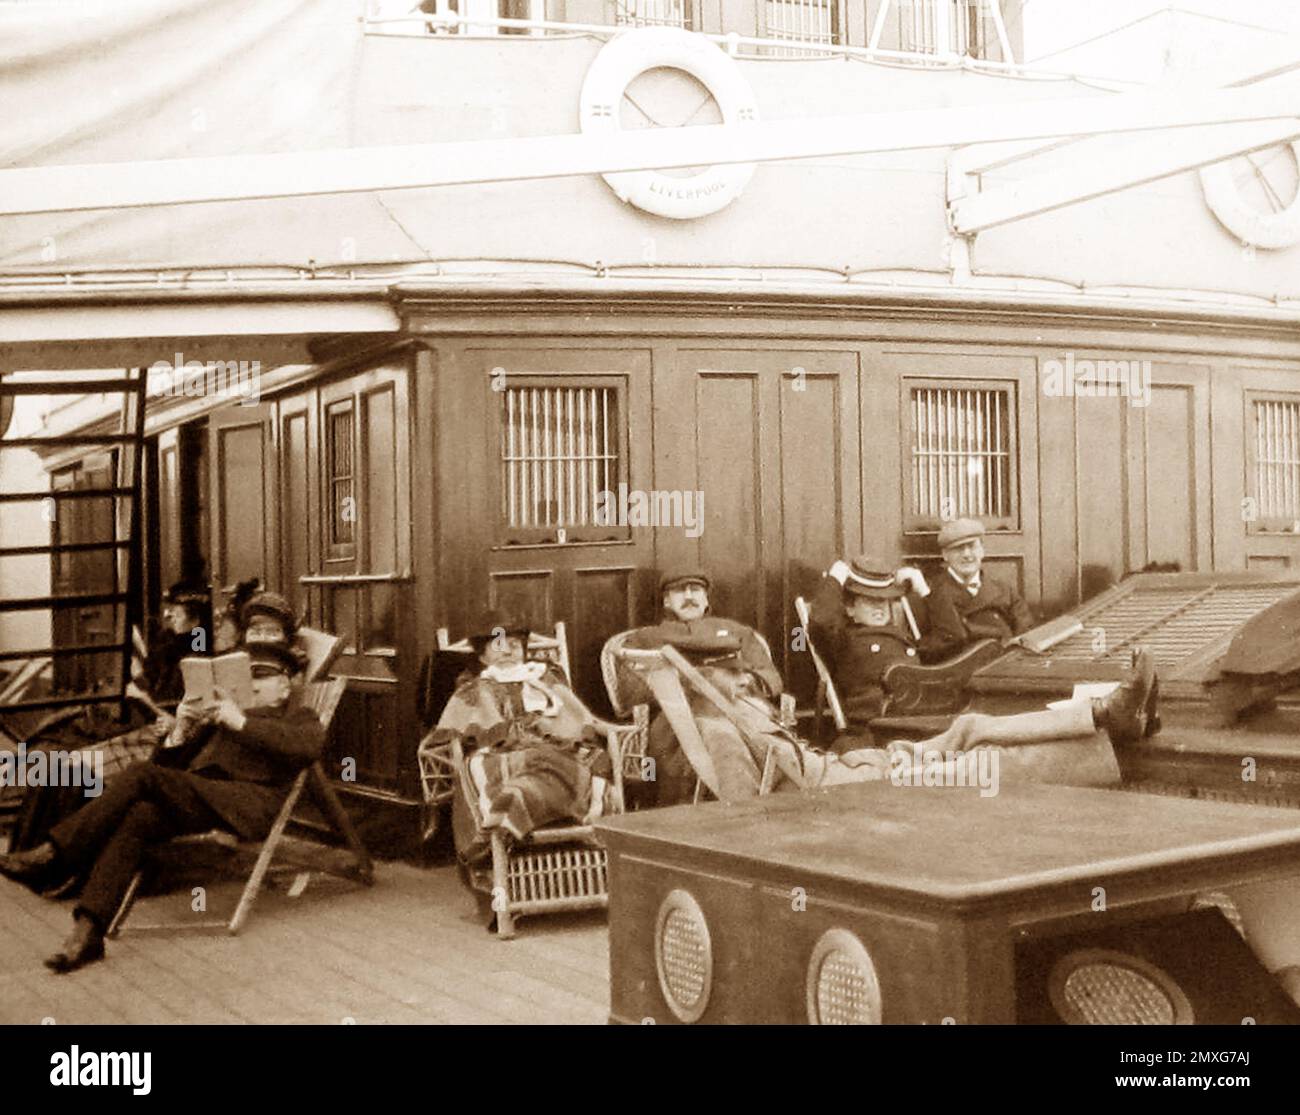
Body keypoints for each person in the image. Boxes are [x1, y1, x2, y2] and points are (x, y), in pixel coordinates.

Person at [0, 642, 324, 974]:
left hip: (247, 805)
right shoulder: (219, 719)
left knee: (141, 775)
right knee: (140, 815)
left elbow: (307, 747)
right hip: (202, 800)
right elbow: (168, 767)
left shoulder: (298, 718)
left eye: (262, 676)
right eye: (245, 676)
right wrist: (180, 732)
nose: (251, 684)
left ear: (285, 687)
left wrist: (240, 722)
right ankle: (88, 934)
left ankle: (53, 855)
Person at [420, 616, 619, 867]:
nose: (507, 651)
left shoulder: (546, 680)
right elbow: (463, 730)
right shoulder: (475, 687)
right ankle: (514, 807)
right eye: (498, 644)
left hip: (554, 749)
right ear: (483, 657)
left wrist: (556, 731)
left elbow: (580, 720)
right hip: (500, 753)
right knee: (520, 762)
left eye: (514, 645)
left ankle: (509, 812)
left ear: (524, 652)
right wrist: (519, 733)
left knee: (572, 758)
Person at [620, 571, 796, 806]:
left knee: (759, 742)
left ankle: (758, 807)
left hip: (740, 708)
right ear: (666, 601)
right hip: (680, 721)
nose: (689, 596)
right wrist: (682, 682)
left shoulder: (736, 632)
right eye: (680, 590)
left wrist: (735, 681)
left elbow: (770, 677)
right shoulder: (646, 638)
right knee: (714, 744)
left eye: (696, 590)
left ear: (706, 599)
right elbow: (628, 694)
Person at [806, 554, 930, 731]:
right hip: (877, 723)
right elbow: (820, 622)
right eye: (870, 601)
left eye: (884, 601)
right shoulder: (846, 640)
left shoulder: (904, 636)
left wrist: (923, 589)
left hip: (921, 715)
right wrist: (835, 580)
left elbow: (951, 638)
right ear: (850, 609)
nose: (879, 607)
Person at [921, 518, 1034, 662]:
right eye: (958, 548)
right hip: (957, 672)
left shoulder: (1005, 591)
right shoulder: (931, 592)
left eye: (972, 546)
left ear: (982, 550)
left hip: (1003, 666)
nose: (967, 555)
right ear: (945, 555)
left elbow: (1026, 635)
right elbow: (928, 648)